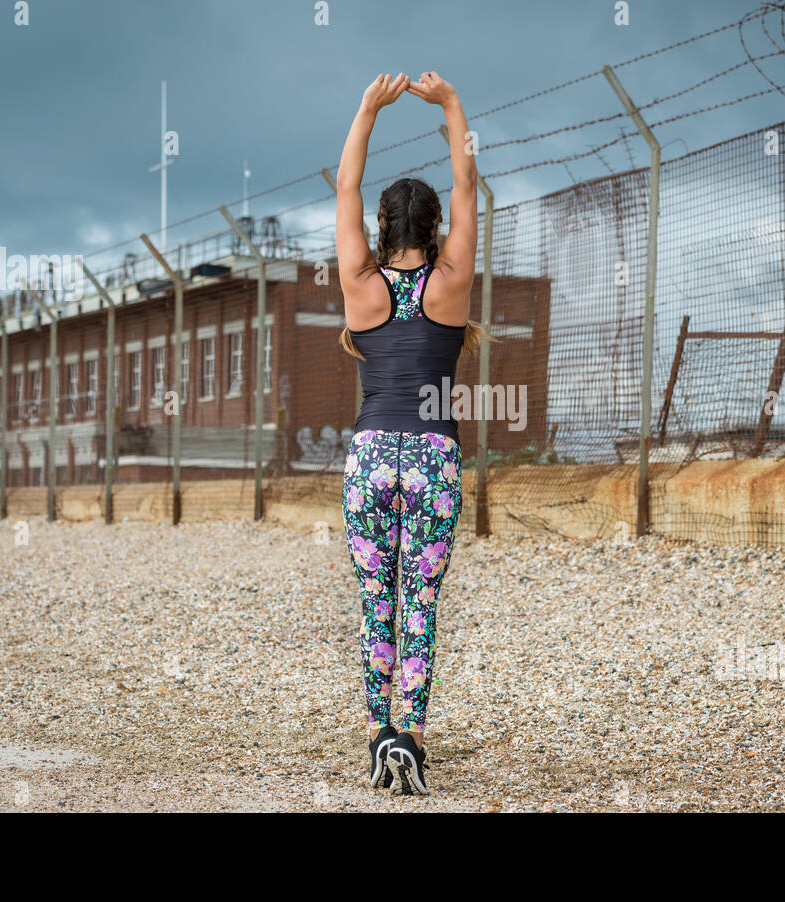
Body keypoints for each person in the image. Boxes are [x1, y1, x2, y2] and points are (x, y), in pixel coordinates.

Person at [335, 71, 486, 795]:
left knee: (377, 600)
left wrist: (367, 108)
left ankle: (377, 735)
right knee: (420, 601)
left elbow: (344, 187)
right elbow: (468, 187)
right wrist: (453, 105)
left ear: (382, 226)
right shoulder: (449, 284)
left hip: (370, 458)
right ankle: (414, 740)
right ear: (434, 228)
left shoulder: (361, 286)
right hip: (433, 457)